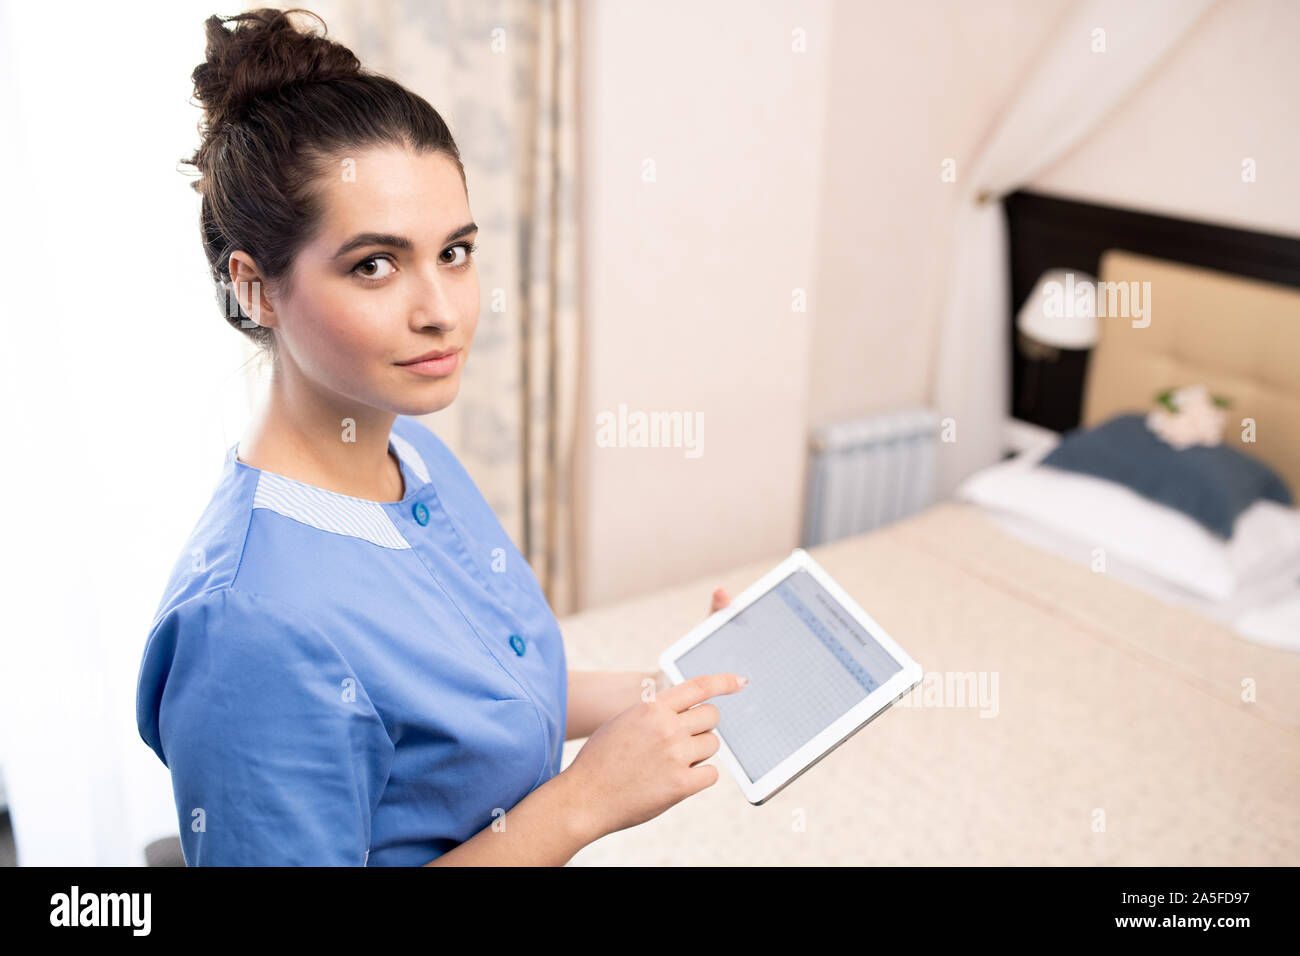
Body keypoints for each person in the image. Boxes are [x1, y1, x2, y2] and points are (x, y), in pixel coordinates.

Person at [135, 6, 748, 866]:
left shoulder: (409, 454)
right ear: (257, 288)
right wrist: (580, 803)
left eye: (455, 252)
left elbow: (472, 705)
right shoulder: (250, 627)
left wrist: (667, 694)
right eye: (374, 265)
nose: (443, 311)